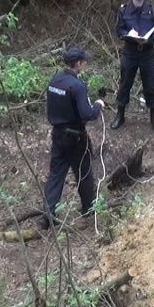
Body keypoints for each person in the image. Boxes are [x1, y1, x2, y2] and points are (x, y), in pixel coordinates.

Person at [43, 47, 106, 229]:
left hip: (58, 134)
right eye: (83, 62)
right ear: (78, 63)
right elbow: (87, 114)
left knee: (56, 175)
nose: (84, 64)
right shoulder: (77, 86)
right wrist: (98, 105)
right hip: (76, 138)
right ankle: (88, 209)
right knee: (84, 174)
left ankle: (48, 213)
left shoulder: (55, 81)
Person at [111, 0, 154, 132]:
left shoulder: (151, 10)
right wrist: (128, 36)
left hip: (147, 52)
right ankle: (120, 114)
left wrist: (149, 40)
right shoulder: (124, 10)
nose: (139, 2)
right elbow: (119, 30)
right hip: (130, 51)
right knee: (125, 83)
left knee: (150, 85)